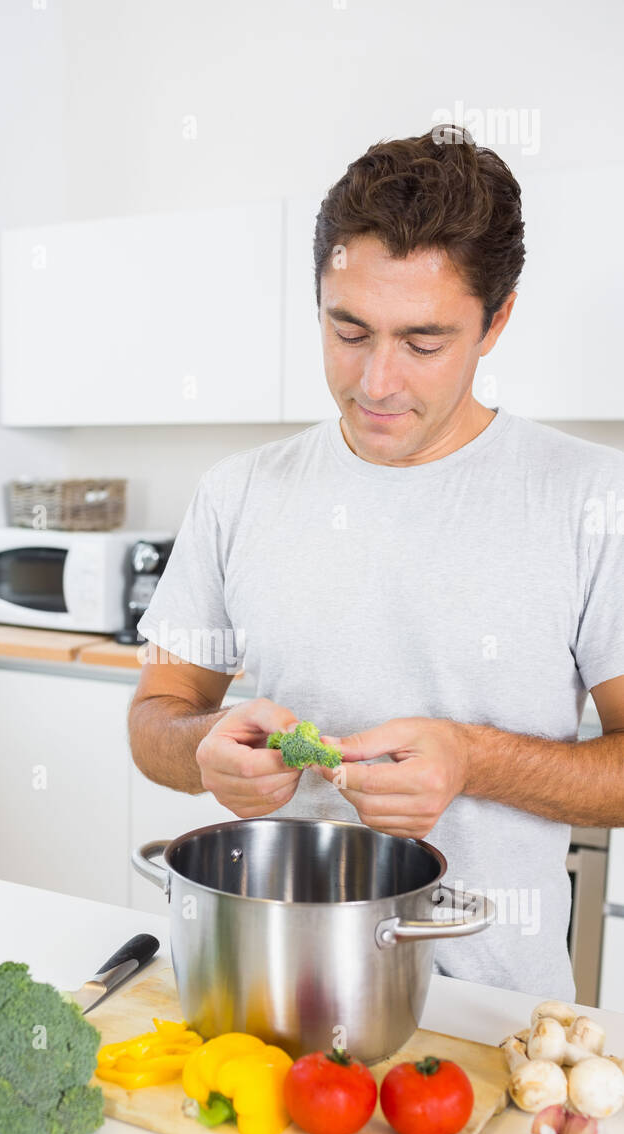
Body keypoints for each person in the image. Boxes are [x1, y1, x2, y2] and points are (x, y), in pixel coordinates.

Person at [128, 126, 624, 998]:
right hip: (269, 988)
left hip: (490, 1011)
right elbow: (155, 718)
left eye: (424, 342)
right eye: (349, 330)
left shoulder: (592, 499)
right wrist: (203, 745)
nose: (377, 382)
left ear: (497, 320)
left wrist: (474, 760)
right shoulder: (240, 492)